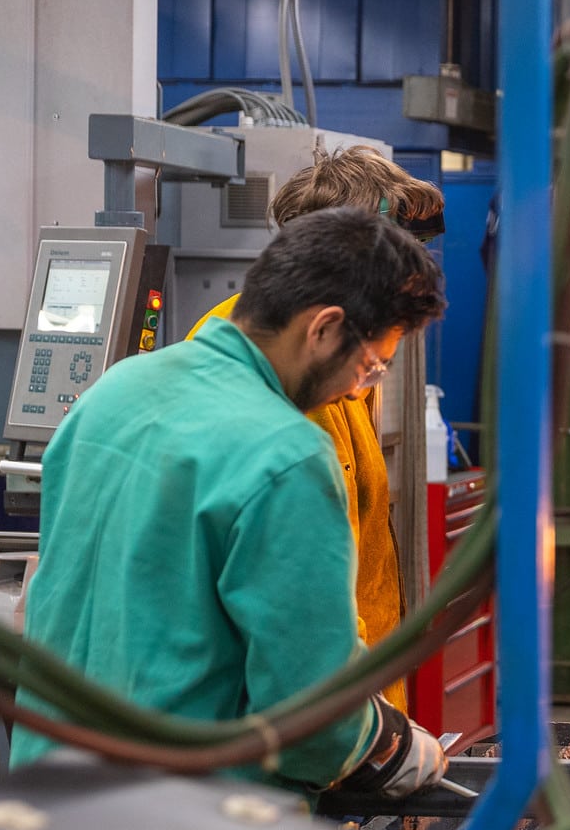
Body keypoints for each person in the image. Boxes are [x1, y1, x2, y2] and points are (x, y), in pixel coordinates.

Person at [13, 207, 451, 798]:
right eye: (370, 365)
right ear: (322, 328)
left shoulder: (112, 394)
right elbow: (309, 722)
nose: (359, 387)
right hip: (180, 828)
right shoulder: (288, 456)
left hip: (47, 791)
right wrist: (386, 742)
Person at [189, 146, 445, 709]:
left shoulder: (333, 361)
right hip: (304, 723)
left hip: (353, 709)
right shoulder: (269, 388)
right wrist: (366, 741)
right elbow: (290, 607)